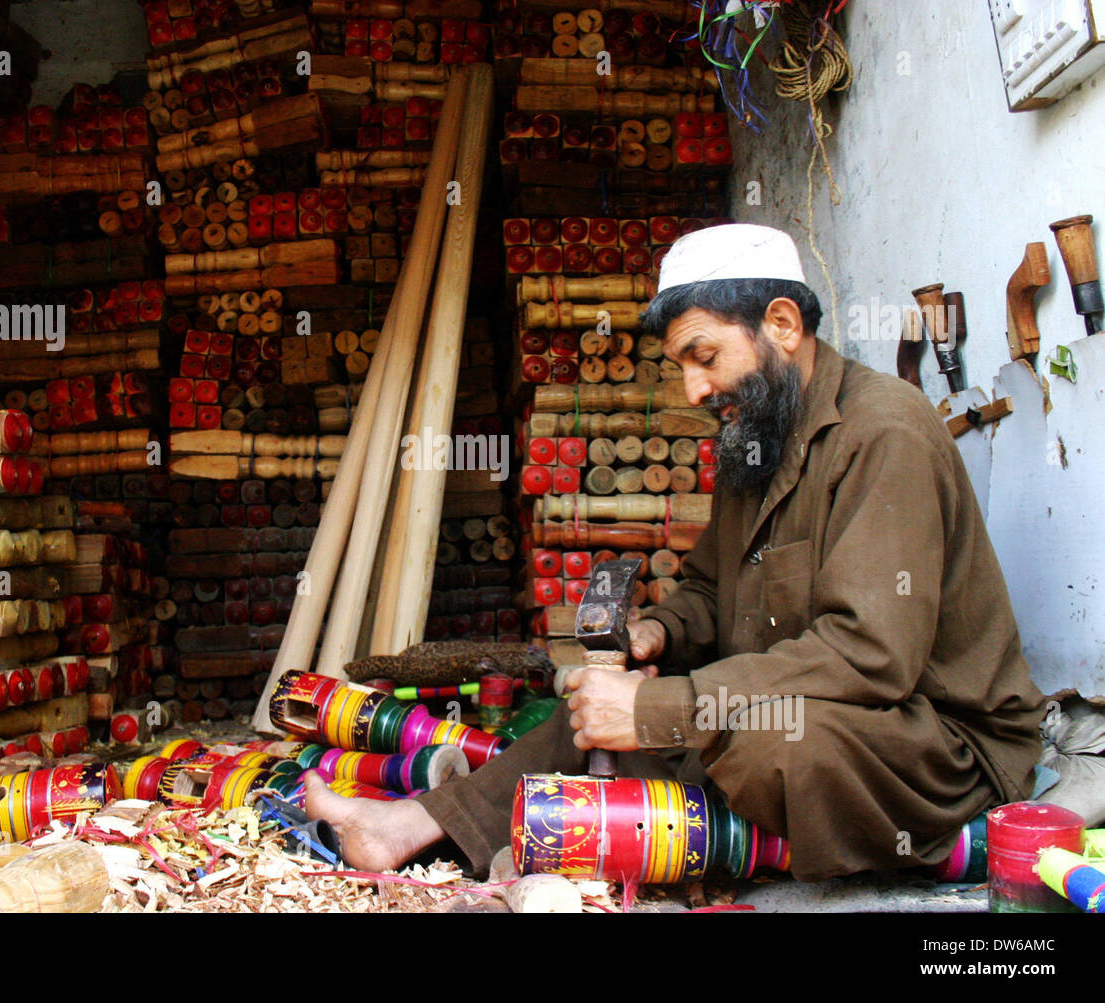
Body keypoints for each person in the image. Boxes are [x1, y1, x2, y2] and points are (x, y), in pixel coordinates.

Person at [304, 223, 1046, 881]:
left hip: (937, 740)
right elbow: (707, 590)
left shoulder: (885, 433)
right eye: (682, 366)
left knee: (751, 738)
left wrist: (665, 708)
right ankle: (410, 826)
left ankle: (686, 812)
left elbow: (869, 656)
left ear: (782, 324)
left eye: (705, 356)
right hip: (825, 703)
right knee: (603, 698)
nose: (694, 388)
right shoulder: (756, 437)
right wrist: (656, 635)